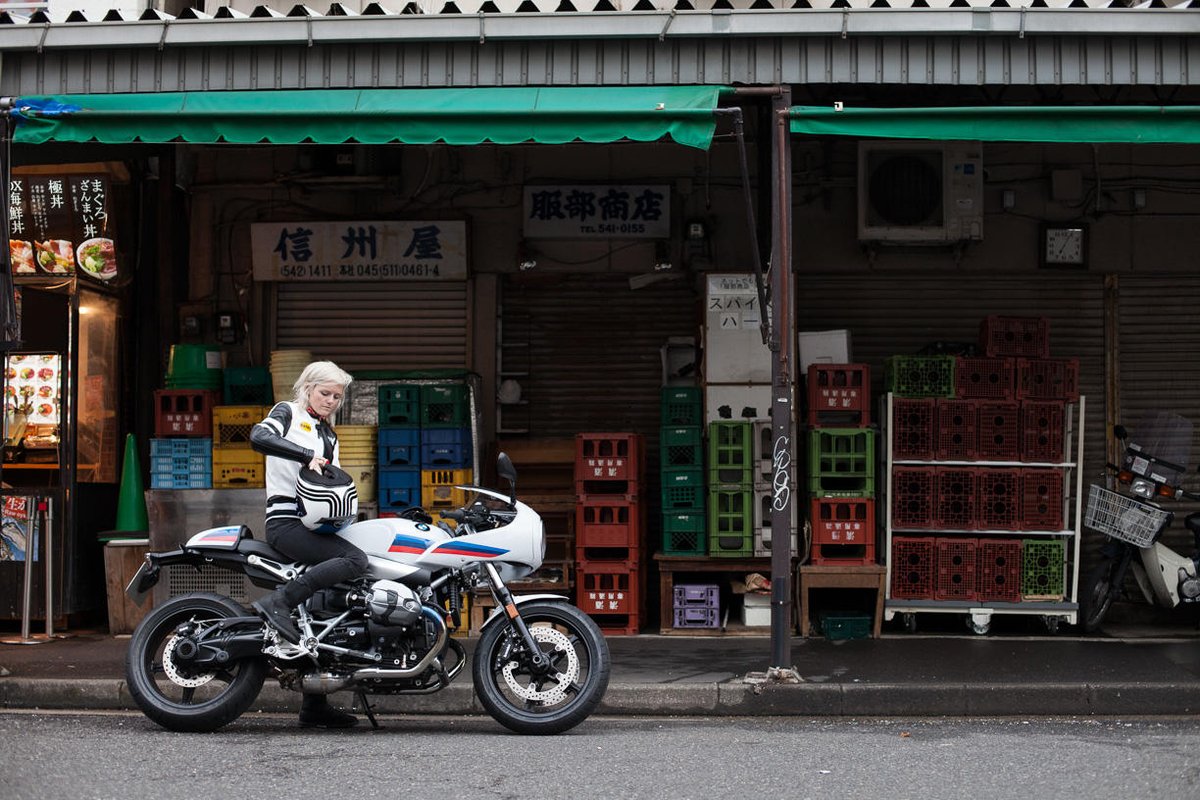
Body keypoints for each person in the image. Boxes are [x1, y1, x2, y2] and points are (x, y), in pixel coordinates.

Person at [249, 360, 367, 729]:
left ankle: (314, 707)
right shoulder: (287, 413)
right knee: (354, 561)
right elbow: (258, 437)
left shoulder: (329, 436)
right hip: (285, 524)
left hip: (318, 528)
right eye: (325, 393)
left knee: (329, 608)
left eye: (337, 395)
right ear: (307, 388)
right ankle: (279, 601)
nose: (331, 400)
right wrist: (304, 455)